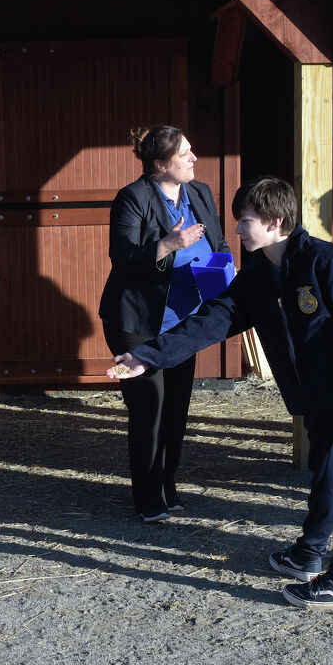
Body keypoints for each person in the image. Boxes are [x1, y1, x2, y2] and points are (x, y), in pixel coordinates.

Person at [112, 177, 333, 611]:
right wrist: (149, 356)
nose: (237, 231)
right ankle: (309, 554)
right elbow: (213, 319)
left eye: (245, 221)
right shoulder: (260, 274)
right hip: (316, 395)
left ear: (276, 222)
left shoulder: (328, 261)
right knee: (324, 472)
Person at [98, 125, 228, 523]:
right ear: (159, 164)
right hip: (131, 321)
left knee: (176, 409)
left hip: (183, 323)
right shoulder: (132, 197)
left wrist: (223, 295)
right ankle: (146, 496)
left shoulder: (201, 192)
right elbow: (121, 258)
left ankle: (167, 485)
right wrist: (169, 244)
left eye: (191, 150)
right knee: (147, 409)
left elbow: (219, 248)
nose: (193, 158)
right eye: (184, 154)